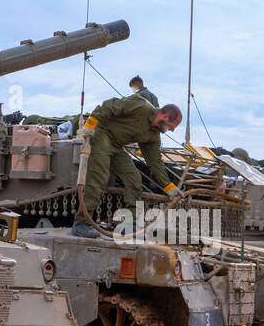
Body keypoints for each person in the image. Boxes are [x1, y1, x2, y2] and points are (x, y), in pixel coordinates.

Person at [72, 94, 182, 238]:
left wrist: (170, 188)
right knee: (99, 179)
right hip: (101, 136)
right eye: (171, 127)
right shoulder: (140, 105)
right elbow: (108, 106)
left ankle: (130, 224)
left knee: (134, 179)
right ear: (165, 117)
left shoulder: (153, 136)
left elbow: (156, 163)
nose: (171, 130)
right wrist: (89, 126)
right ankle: (81, 223)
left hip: (117, 146)